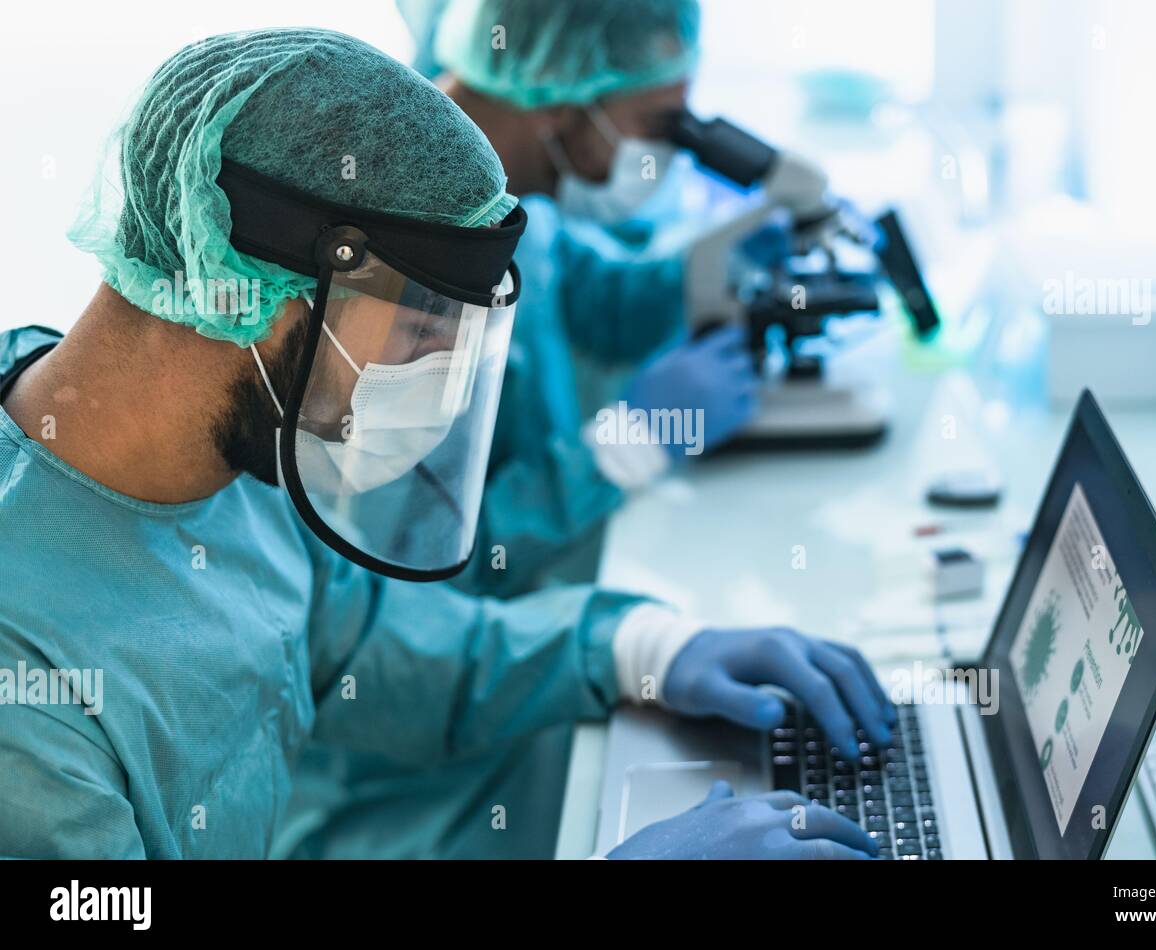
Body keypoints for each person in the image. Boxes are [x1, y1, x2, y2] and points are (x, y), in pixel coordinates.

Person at [0, 28, 894, 859]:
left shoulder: (226, 462)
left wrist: (642, 649)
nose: (444, 388)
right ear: (267, 306)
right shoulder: (26, 693)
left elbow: (372, 645)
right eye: (425, 340)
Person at [403, 0, 754, 598]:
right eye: (658, 124)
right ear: (561, 91)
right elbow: (419, 566)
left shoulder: (507, 190)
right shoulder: (406, 243)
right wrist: (622, 451)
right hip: (478, 652)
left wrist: (721, 258)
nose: (667, 155)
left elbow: (597, 305)